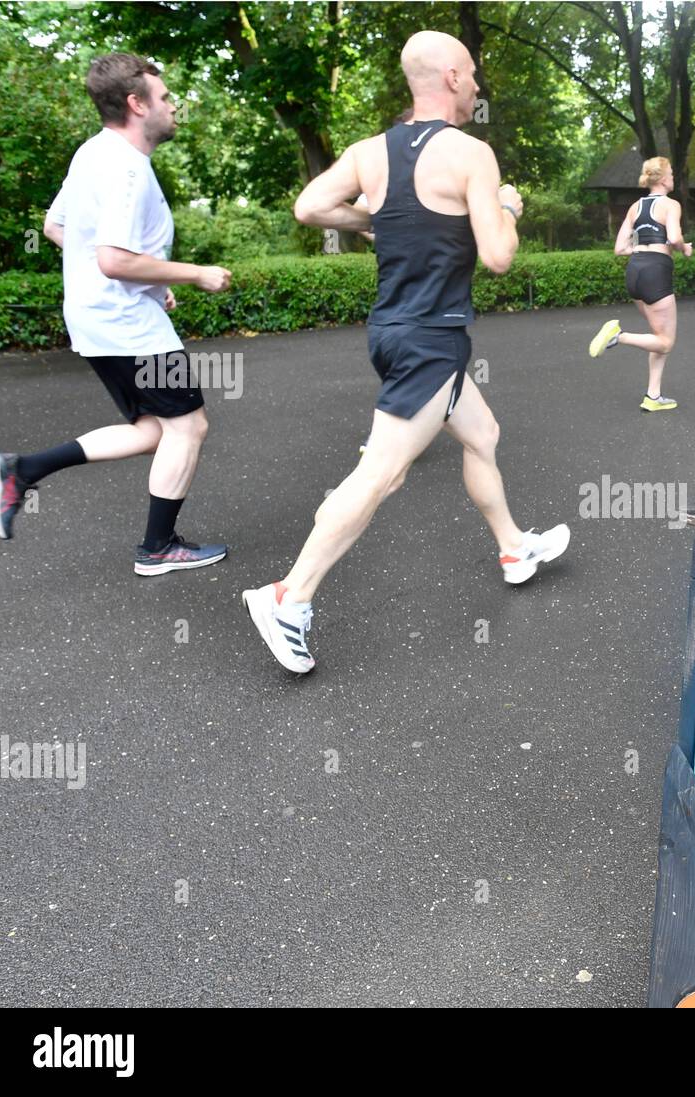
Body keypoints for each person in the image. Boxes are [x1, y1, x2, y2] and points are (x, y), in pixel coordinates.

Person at [242, 31, 569, 674]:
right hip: (429, 339)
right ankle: (287, 597)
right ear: (449, 77)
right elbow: (500, 257)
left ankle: (512, 548)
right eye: (471, 74)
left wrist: (372, 218)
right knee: (383, 472)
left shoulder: (370, 153)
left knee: (483, 434)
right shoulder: (472, 155)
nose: (476, 85)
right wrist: (505, 207)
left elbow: (310, 207)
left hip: (395, 331)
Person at [0, 53, 231, 574]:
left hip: (99, 320)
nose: (173, 107)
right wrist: (193, 273)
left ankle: (20, 469)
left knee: (155, 430)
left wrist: (144, 278)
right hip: (130, 327)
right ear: (138, 104)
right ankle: (158, 549)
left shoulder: (92, 154)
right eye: (164, 99)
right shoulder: (127, 169)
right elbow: (113, 258)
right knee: (188, 428)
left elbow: (57, 226)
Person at [587, 157, 692, 412]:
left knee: (657, 337)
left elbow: (619, 248)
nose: (673, 177)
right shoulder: (670, 204)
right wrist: (684, 248)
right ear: (664, 179)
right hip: (656, 272)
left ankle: (653, 397)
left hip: (635, 271)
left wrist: (644, 246)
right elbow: (674, 237)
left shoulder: (635, 206)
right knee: (665, 342)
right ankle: (617, 336)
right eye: (671, 173)